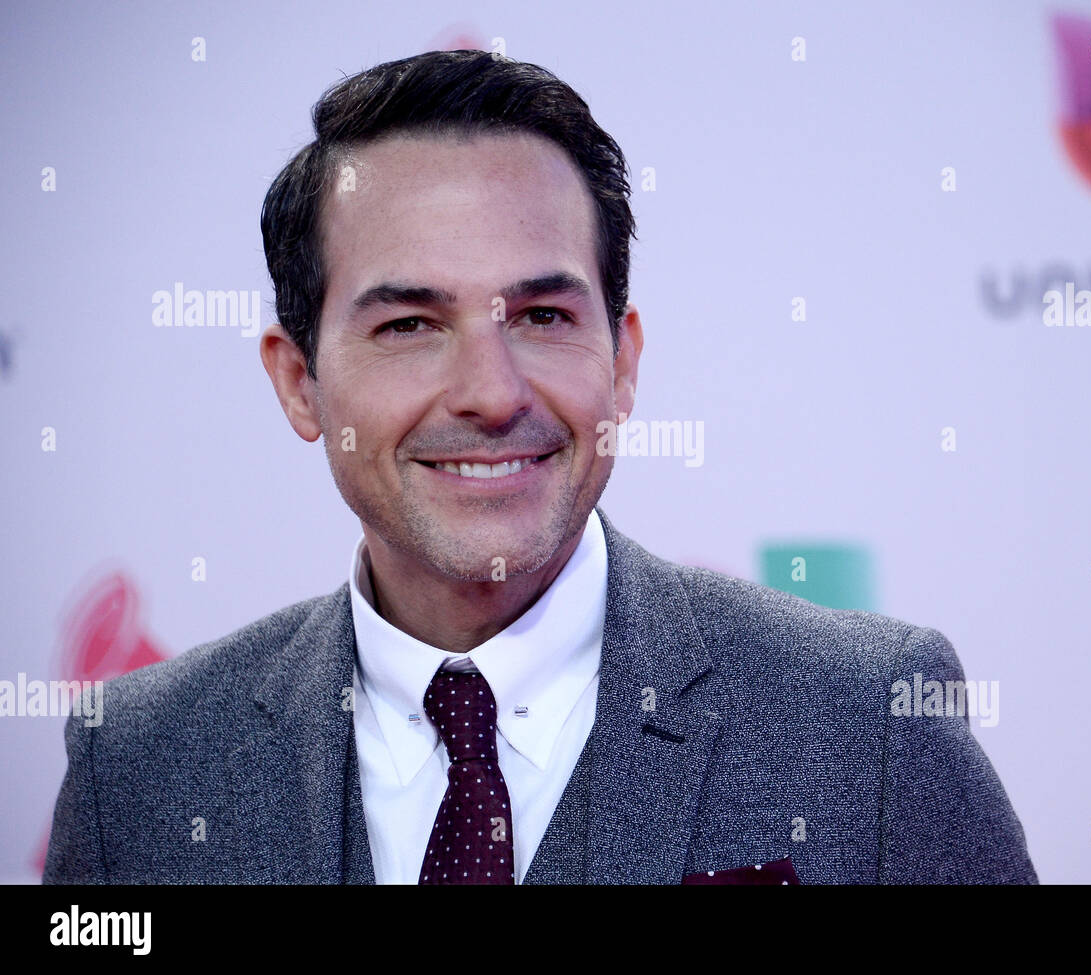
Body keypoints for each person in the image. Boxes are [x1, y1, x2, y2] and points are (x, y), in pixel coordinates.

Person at [42, 50, 1036, 884]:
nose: (492, 391)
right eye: (409, 325)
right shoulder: (135, 766)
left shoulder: (868, 724)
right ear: (298, 381)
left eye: (545, 317)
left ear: (625, 360)